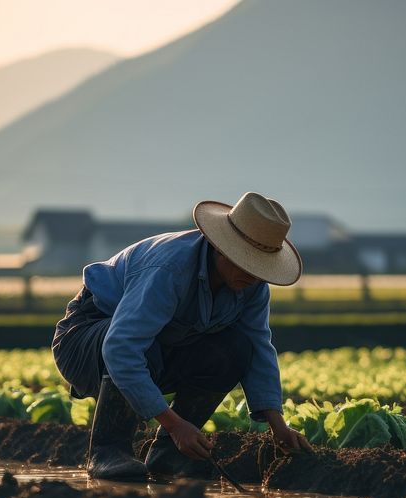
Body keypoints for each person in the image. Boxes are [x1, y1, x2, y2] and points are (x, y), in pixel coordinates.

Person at [52, 192, 312, 481]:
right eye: (247, 264)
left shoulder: (252, 287)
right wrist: (176, 425)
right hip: (85, 338)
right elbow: (121, 348)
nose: (253, 277)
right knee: (142, 341)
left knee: (236, 348)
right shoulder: (170, 269)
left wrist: (279, 427)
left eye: (260, 270)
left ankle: (169, 455)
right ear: (221, 249)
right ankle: (108, 451)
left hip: (164, 345)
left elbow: (259, 347)